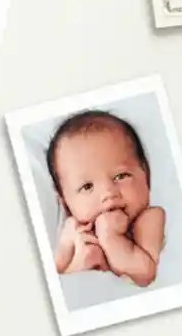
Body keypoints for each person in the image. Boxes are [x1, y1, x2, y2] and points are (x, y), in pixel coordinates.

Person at [46, 110, 165, 286]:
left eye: (121, 176)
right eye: (87, 187)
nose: (109, 193)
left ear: (146, 174)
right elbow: (54, 277)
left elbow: (145, 274)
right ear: (64, 202)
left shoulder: (148, 218)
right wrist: (78, 264)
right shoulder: (72, 228)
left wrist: (111, 237)